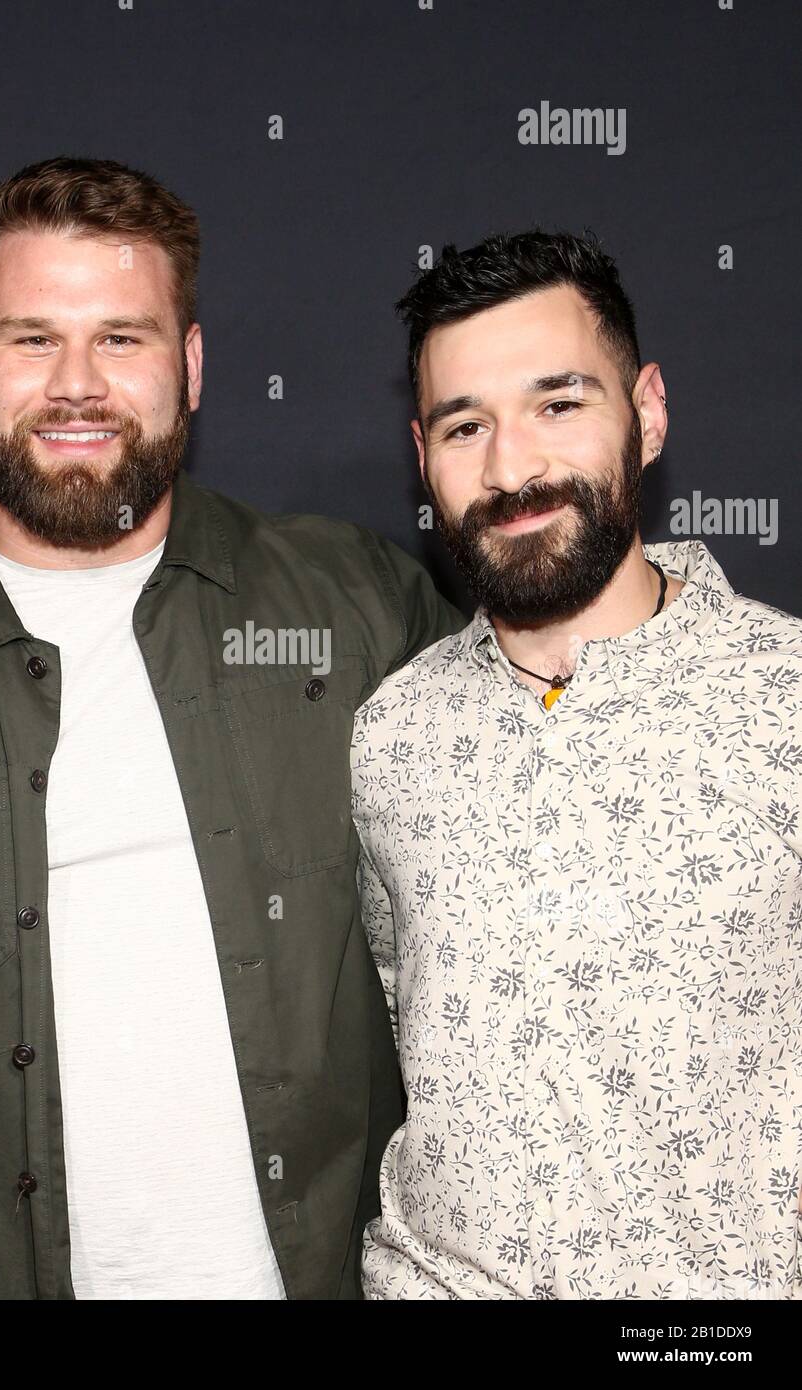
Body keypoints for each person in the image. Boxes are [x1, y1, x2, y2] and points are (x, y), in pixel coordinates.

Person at [0, 156, 463, 1300]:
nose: (77, 384)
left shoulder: (357, 607)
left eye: (122, 340)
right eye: (34, 339)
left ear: (189, 366)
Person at [351, 229, 802, 1300]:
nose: (513, 470)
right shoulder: (390, 737)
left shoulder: (785, 701)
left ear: (646, 412)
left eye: (559, 404)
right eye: (469, 425)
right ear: (423, 456)